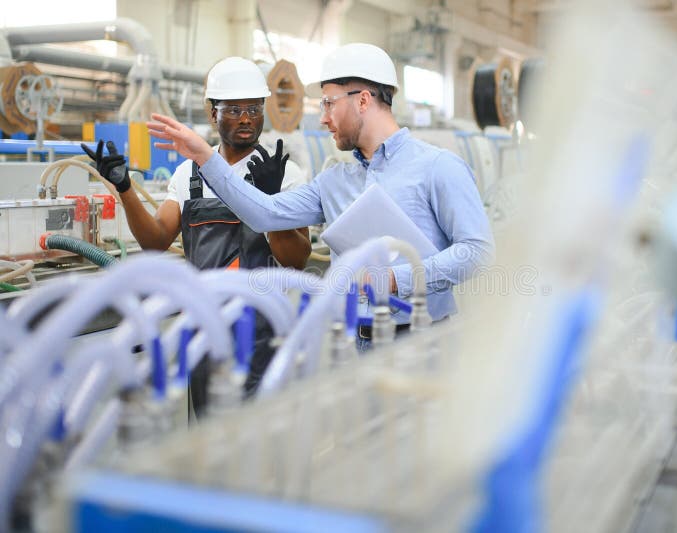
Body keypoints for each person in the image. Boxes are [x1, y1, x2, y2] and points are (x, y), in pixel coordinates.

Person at [147, 43, 494, 350]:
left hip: (422, 342)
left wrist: (395, 279)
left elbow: (477, 251)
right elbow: (264, 214)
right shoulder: (334, 181)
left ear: (362, 100)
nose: (323, 118)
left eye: (328, 104)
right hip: (351, 342)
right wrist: (205, 159)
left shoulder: (438, 167)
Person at [82, 56, 311, 413]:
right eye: (234, 110)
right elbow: (156, 241)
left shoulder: (284, 173)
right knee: (207, 427)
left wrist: (269, 203)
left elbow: (296, 259)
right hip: (204, 323)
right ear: (212, 113)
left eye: (254, 108)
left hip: (263, 324)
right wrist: (125, 188)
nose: (247, 118)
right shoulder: (189, 175)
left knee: (259, 431)